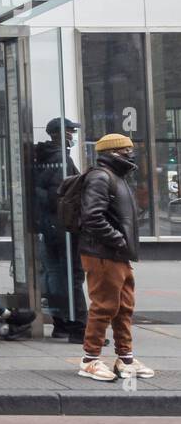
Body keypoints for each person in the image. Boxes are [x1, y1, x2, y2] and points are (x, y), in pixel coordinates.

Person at [76, 133, 152, 381]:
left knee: (124, 307)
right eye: (126, 150)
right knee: (105, 306)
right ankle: (90, 359)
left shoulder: (116, 177)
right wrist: (118, 240)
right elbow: (92, 217)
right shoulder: (101, 177)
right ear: (113, 153)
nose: (131, 154)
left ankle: (125, 357)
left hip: (116, 254)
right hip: (103, 253)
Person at [33, 117, 87, 342]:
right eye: (70, 132)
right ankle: (79, 326)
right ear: (59, 134)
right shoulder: (61, 159)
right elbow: (62, 195)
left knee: (55, 275)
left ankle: (61, 322)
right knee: (72, 274)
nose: (72, 136)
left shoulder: (41, 157)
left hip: (48, 225)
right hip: (63, 227)